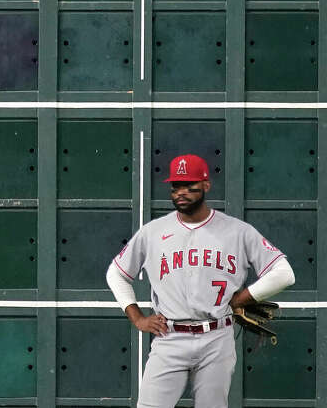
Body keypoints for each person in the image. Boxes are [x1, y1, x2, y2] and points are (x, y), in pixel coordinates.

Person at [105, 153, 295, 407]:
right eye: (176, 186)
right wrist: (137, 318)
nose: (181, 192)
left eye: (189, 185)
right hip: (169, 336)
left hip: (217, 336)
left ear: (206, 186)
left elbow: (284, 273)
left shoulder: (237, 231)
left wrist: (242, 297)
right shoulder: (153, 232)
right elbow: (115, 273)